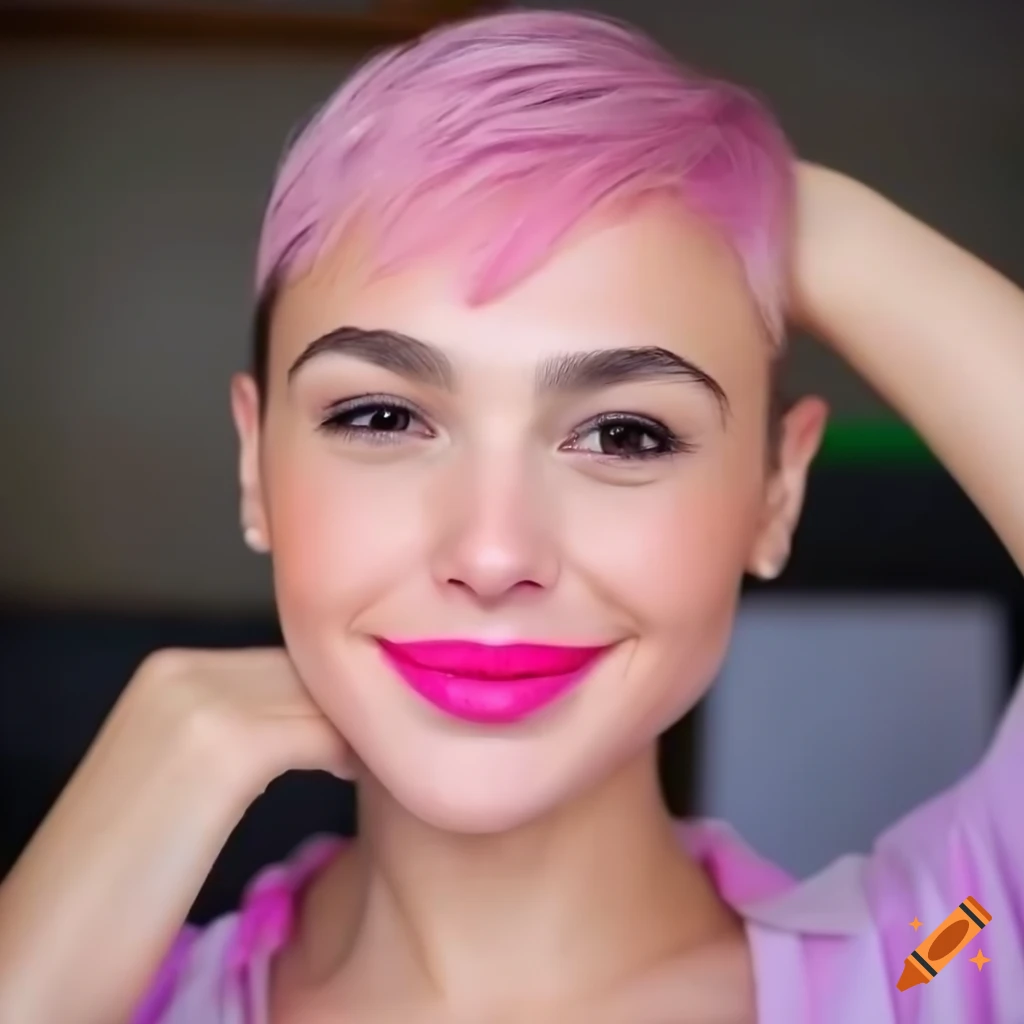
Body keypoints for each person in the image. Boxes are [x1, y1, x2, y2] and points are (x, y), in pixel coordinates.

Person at [0, 9, 1022, 1023]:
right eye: (383, 415)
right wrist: (147, 778)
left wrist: (780, 205)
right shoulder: (110, 990)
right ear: (256, 465)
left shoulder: (936, 957)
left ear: (775, 492)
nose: (492, 554)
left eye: (624, 435)